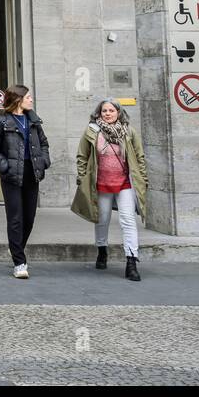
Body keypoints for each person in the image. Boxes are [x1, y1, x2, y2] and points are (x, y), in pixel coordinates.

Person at [71, 99, 147, 282]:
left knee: (128, 220)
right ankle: (102, 250)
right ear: (99, 113)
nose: (107, 113)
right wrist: (83, 178)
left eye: (111, 110)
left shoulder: (128, 131)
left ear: (118, 112)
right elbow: (82, 155)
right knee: (102, 219)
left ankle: (131, 262)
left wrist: (143, 179)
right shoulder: (92, 131)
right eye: (104, 110)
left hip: (125, 183)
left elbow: (139, 156)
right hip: (101, 183)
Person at [0, 85, 50, 279]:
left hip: (32, 173)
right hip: (12, 175)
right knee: (16, 218)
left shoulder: (34, 121)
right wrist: (5, 167)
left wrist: (44, 161)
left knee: (29, 218)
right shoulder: (0, 122)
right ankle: (19, 262)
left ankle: (16, 248)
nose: (31, 100)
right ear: (18, 99)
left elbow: (44, 144)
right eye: (28, 97)